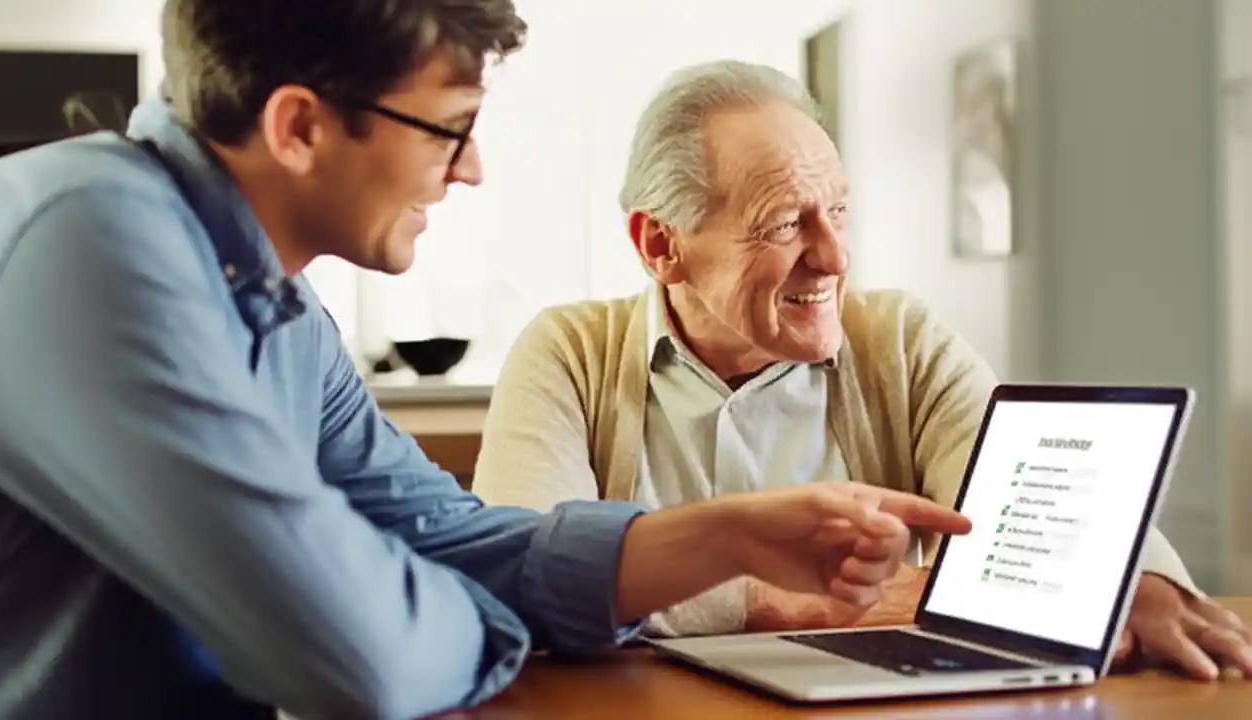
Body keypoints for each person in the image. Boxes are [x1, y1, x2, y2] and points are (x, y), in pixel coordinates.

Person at [0, 5, 976, 720]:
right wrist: (492, 622)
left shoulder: (277, 305)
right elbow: (353, 654)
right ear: (299, 127)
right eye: (448, 128)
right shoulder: (88, 244)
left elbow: (451, 538)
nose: (473, 168)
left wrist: (720, 538)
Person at [472, 60, 1252, 680]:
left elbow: (1027, 514)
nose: (835, 257)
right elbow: (517, 577)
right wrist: (787, 603)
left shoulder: (900, 340)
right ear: (658, 245)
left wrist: (1132, 584)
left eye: (837, 211)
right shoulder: (568, 352)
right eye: (784, 223)